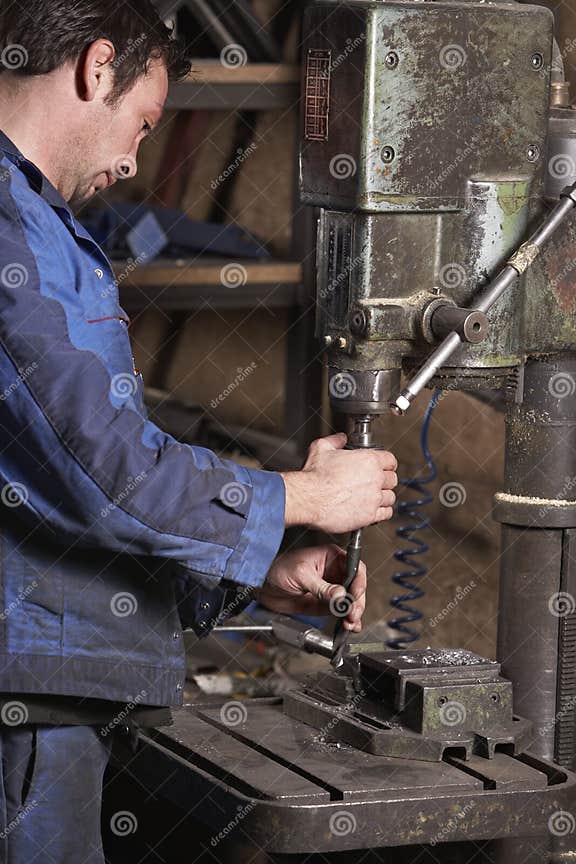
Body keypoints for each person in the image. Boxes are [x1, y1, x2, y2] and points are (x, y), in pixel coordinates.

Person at [0, 2, 398, 861]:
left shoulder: (38, 222)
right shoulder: (7, 225)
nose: (132, 161)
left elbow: (50, 500)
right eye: (144, 125)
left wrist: (255, 574)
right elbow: (105, 469)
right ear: (96, 68)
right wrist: (301, 494)